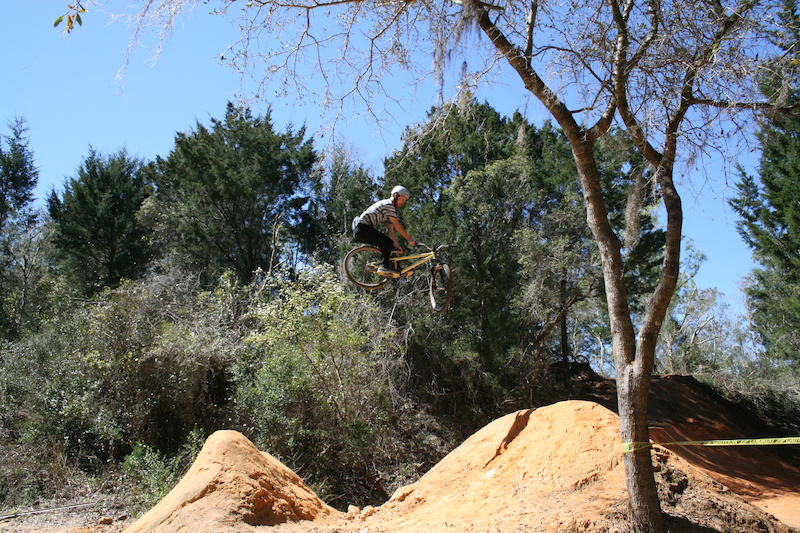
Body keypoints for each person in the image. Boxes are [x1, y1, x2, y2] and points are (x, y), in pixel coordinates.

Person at [352, 185, 417, 277]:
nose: (402, 203)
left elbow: (390, 230)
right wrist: (409, 238)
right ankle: (383, 266)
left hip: (363, 230)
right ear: (395, 196)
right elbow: (397, 225)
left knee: (390, 245)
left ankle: (396, 268)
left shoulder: (388, 212)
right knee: (387, 242)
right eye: (402, 200)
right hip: (362, 228)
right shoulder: (388, 205)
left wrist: (396, 245)